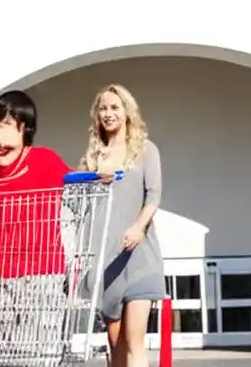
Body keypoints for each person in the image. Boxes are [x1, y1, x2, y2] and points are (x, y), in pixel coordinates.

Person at [0, 90, 72, 354]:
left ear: (25, 129)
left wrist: (100, 174)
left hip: (42, 272)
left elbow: (76, 184)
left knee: (40, 352)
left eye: (4, 125)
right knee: (5, 354)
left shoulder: (45, 160)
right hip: (0, 274)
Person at [79, 84, 165, 367]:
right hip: (106, 259)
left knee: (134, 339)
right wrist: (90, 180)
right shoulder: (93, 157)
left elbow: (153, 195)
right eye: (103, 108)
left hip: (139, 256)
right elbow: (73, 201)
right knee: (116, 343)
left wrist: (139, 227)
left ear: (127, 112)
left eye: (115, 107)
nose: (108, 113)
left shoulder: (144, 150)